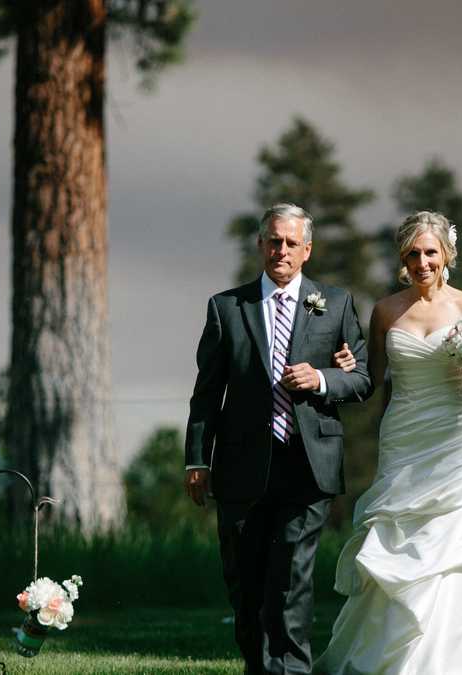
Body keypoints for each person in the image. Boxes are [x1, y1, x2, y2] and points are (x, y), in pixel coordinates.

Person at [314, 211, 462, 675]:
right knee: (403, 543)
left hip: (457, 438)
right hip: (403, 436)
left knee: (458, 549)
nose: (422, 261)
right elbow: (372, 380)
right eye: (413, 253)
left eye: (430, 252)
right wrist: (344, 364)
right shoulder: (386, 311)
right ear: (402, 259)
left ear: (446, 255)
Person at [184, 203, 373, 675]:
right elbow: (206, 393)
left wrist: (323, 379)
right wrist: (196, 460)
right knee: (246, 586)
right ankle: (259, 667)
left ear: (307, 250)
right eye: (274, 241)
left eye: (291, 243)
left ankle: (291, 669)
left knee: (291, 580)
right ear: (260, 245)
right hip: (240, 467)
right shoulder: (227, 308)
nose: (281, 250)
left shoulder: (336, 303)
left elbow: (363, 379)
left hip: (308, 465)